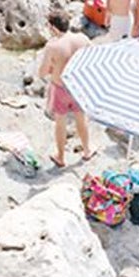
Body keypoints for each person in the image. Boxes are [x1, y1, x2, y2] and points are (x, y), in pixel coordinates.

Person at [39, 11, 93, 166]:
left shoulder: (53, 46)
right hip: (78, 86)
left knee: (60, 122)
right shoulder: (82, 39)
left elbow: (42, 72)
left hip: (60, 87)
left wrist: (52, 68)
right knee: (81, 118)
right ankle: (87, 150)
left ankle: (61, 157)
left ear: (54, 28)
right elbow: (92, 56)